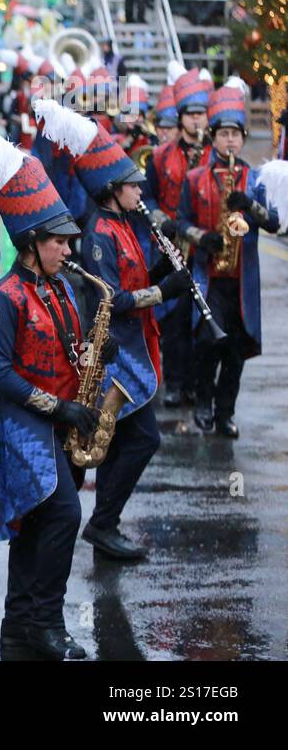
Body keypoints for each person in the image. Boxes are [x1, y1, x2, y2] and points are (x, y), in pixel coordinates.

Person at [0, 119, 94, 661]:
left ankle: (18, 630)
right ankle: (47, 624)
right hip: (27, 426)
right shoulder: (3, 297)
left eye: (68, 241)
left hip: (66, 423)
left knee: (36, 523)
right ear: (30, 242)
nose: (67, 249)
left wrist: (93, 358)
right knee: (63, 515)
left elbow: (71, 346)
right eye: (58, 242)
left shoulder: (65, 287)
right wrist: (56, 404)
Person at [72, 118, 187, 561]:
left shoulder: (124, 224)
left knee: (127, 438)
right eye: (133, 186)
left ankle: (105, 524)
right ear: (110, 190)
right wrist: (163, 291)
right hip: (114, 349)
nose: (141, 193)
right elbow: (113, 300)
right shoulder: (99, 233)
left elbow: (134, 278)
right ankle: (102, 524)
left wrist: (164, 271)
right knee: (144, 439)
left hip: (135, 343)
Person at [177, 78, 280, 438]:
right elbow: (180, 222)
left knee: (236, 351)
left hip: (241, 281)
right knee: (207, 344)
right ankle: (203, 405)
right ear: (214, 137)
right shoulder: (194, 179)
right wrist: (202, 237)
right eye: (224, 134)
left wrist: (249, 204)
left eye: (237, 134)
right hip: (209, 276)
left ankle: (226, 413)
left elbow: (275, 222)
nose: (231, 140)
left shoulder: (254, 179)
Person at [144, 65, 212, 407]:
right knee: (173, 319)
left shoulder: (214, 155)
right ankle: (173, 382)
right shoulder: (159, 157)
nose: (198, 121)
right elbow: (149, 197)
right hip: (170, 246)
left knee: (202, 322)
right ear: (181, 116)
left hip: (204, 250)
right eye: (192, 114)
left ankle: (199, 387)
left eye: (202, 114)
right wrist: (160, 220)